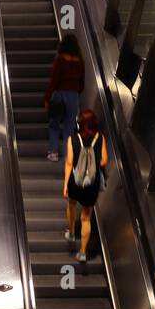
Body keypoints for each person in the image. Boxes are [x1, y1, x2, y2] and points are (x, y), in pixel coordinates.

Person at [63, 109, 108, 262]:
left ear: (79, 123)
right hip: (91, 184)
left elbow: (69, 163)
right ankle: (82, 252)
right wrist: (91, 165)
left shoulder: (72, 139)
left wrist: (65, 185)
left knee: (71, 205)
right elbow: (104, 161)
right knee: (86, 218)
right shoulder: (100, 138)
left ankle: (71, 232)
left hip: (75, 181)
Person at [45, 34, 84, 162]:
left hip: (60, 94)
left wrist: (48, 97)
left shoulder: (60, 59)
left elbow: (54, 81)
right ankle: (68, 154)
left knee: (54, 124)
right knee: (69, 125)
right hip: (74, 96)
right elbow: (82, 82)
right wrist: (77, 93)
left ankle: (53, 152)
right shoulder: (80, 61)